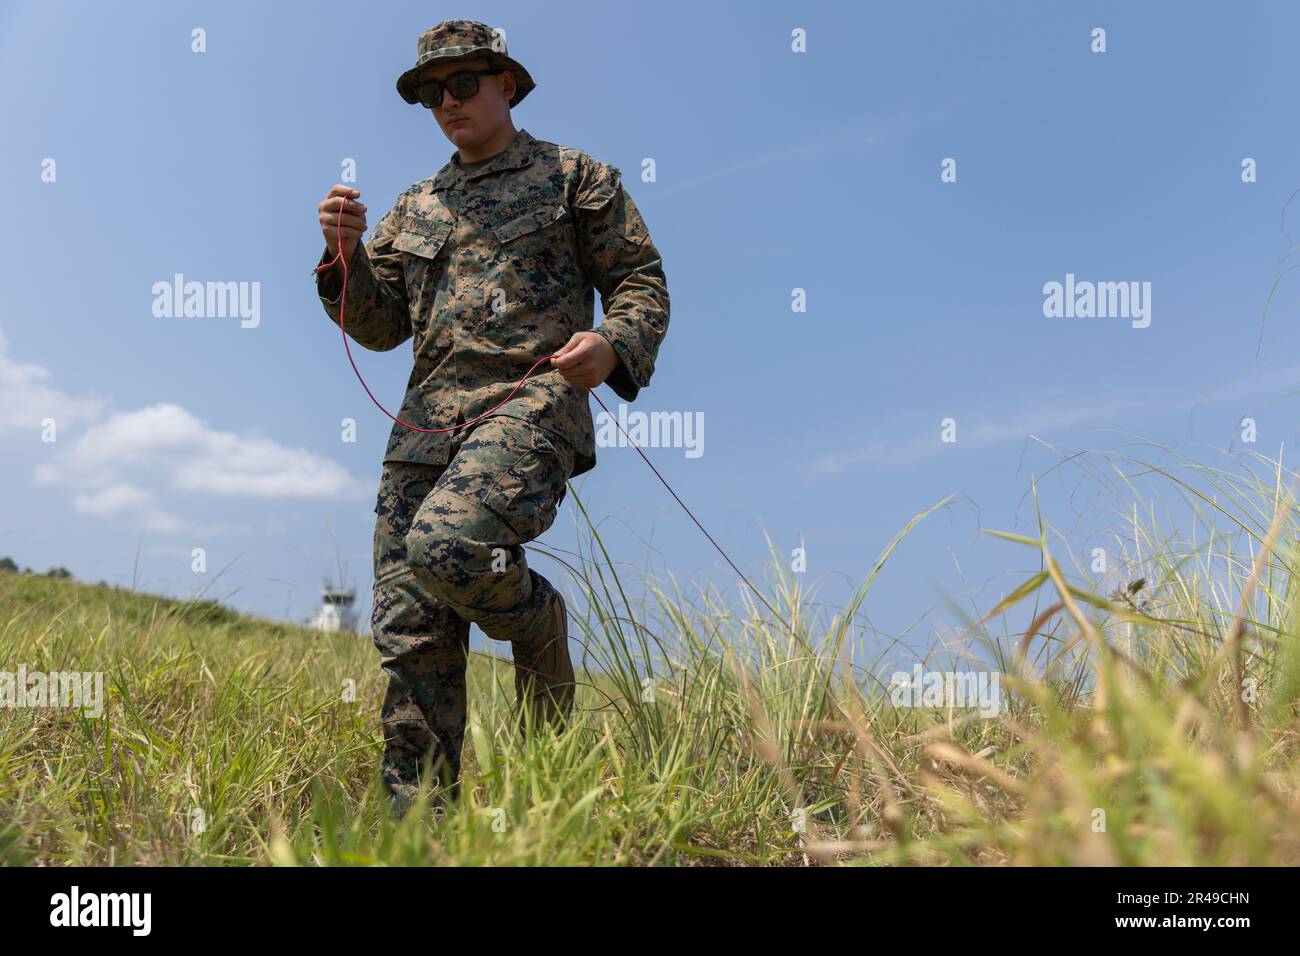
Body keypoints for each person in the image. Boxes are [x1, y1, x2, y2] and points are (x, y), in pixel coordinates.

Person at [314, 19, 670, 817]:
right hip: (424, 431)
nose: (448, 102)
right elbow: (379, 326)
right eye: (431, 94)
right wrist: (344, 255)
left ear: (506, 84)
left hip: (529, 405)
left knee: (448, 545)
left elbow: (640, 279)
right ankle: (422, 834)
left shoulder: (574, 177)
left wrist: (614, 343)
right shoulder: (415, 207)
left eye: (464, 84)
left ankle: (536, 622)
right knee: (410, 635)